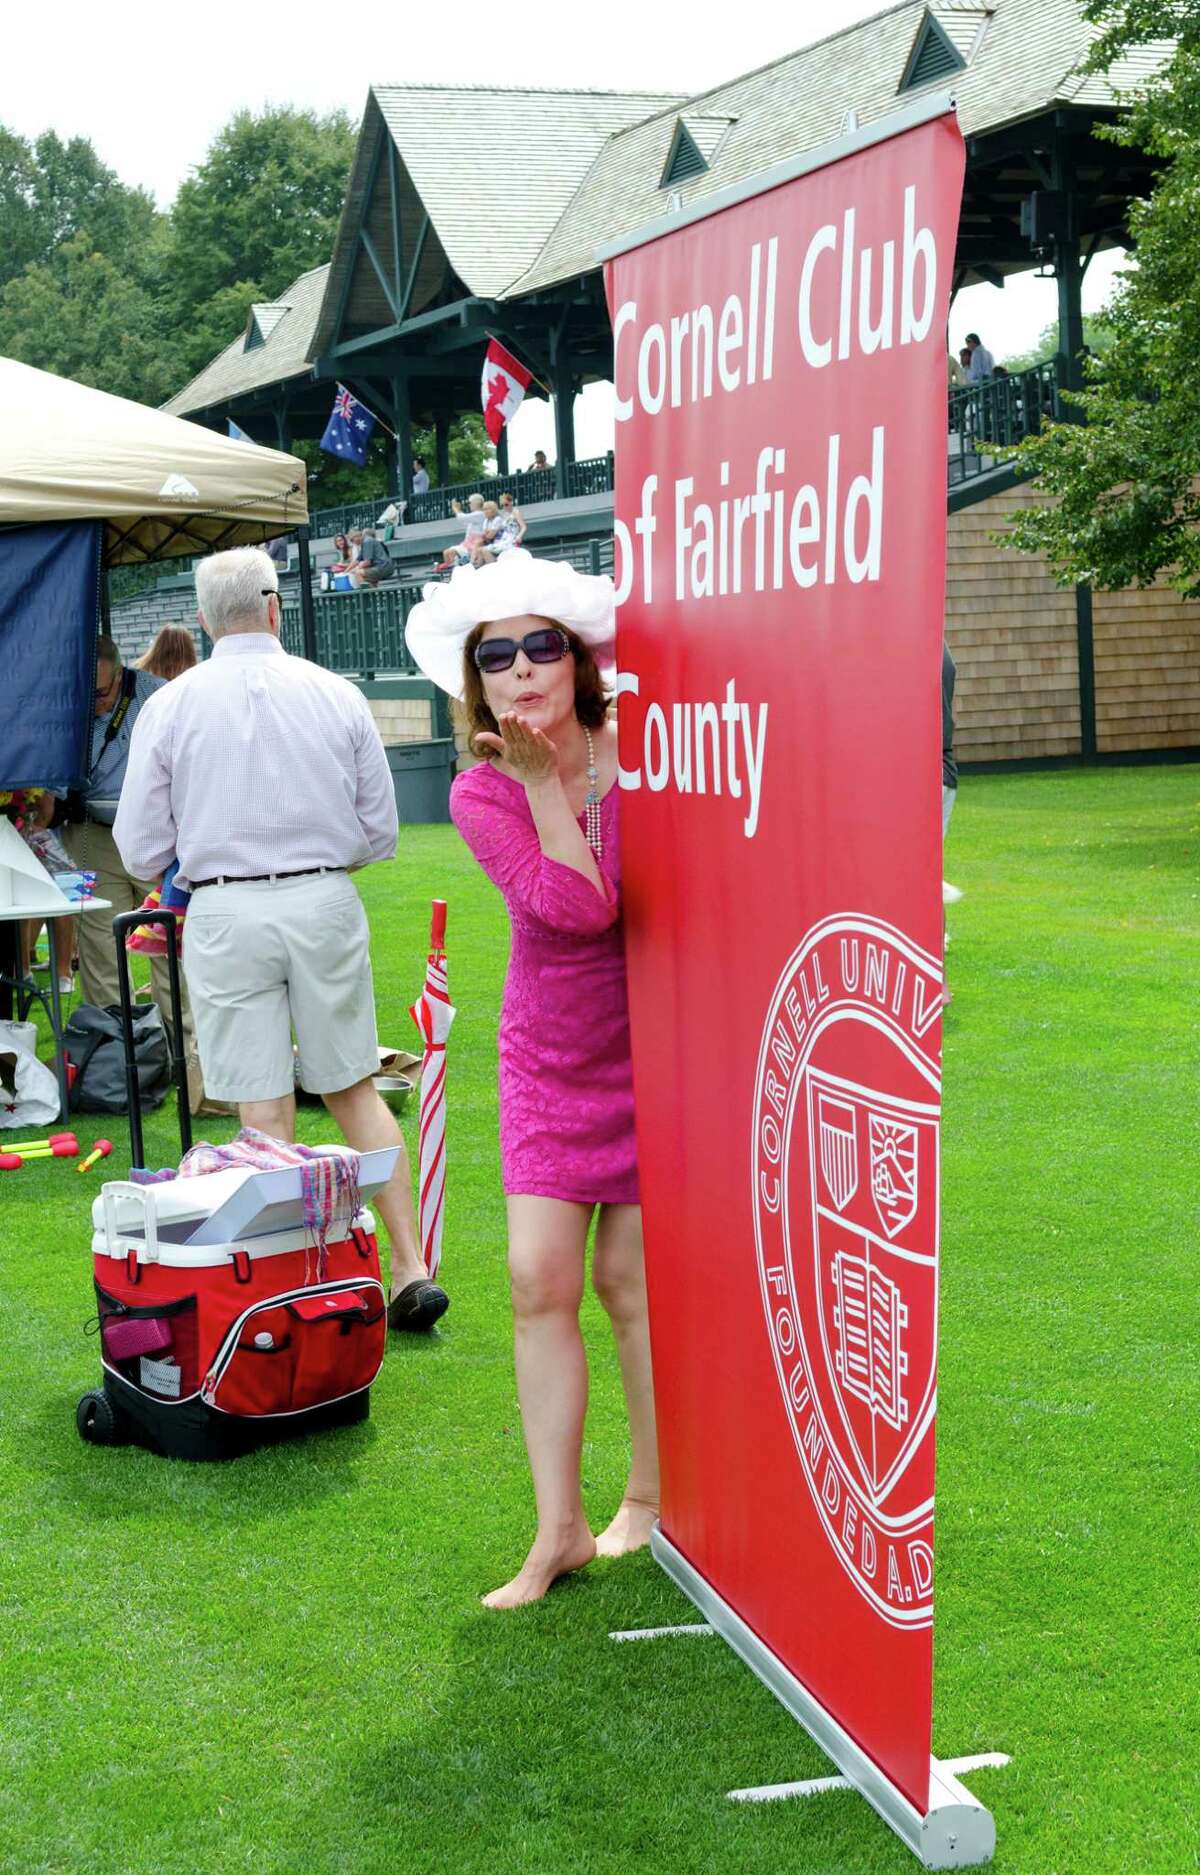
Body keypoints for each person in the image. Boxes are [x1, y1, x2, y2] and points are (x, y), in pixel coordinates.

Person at [405, 549, 658, 1607]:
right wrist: (546, 787)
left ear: (577, 655)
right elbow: (573, 909)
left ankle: (650, 1498)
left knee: (629, 1286)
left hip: (658, 1042)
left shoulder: (648, 748)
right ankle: (558, 1528)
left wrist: (572, 778)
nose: (519, 669)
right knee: (534, 1279)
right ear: (478, 681)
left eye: (538, 645)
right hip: (551, 1053)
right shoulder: (478, 788)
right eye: (494, 655)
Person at [114, 547, 447, 1331]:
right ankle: (408, 1265)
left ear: (203, 617)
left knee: (262, 1111)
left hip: (226, 908)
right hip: (322, 895)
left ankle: (288, 1287)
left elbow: (137, 847)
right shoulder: (335, 693)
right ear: (274, 607)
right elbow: (378, 829)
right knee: (353, 1088)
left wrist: (202, 857)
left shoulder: (170, 704)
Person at [63, 636, 202, 1103]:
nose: (97, 703)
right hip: (90, 836)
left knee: (169, 947)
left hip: (156, 838)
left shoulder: (158, 696)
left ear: (120, 674)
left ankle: (186, 1060)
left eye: (103, 693)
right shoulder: (68, 698)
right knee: (102, 947)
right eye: (91, 695)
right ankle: (117, 1063)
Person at [942, 638, 958, 1008]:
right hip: (938, 775)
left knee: (914, 881)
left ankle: (937, 981)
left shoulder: (926, 643)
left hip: (928, 773)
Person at [433, 493, 488, 570]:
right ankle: (449, 568)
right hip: (467, 543)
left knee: (452, 552)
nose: (469, 505)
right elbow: (464, 520)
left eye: (470, 503)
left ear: (476, 503)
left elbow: (462, 518)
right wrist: (458, 510)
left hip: (474, 545)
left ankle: (454, 568)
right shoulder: (474, 515)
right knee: (446, 552)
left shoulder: (480, 514)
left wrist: (455, 508)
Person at [475, 493, 526, 562]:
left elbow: (523, 526)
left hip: (511, 540)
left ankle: (491, 566)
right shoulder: (505, 515)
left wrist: (519, 536)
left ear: (511, 502)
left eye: (506, 504)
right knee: (481, 549)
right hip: (503, 539)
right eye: (502, 505)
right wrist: (489, 530)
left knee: (483, 549)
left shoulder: (515, 512)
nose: (505, 507)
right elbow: (500, 528)